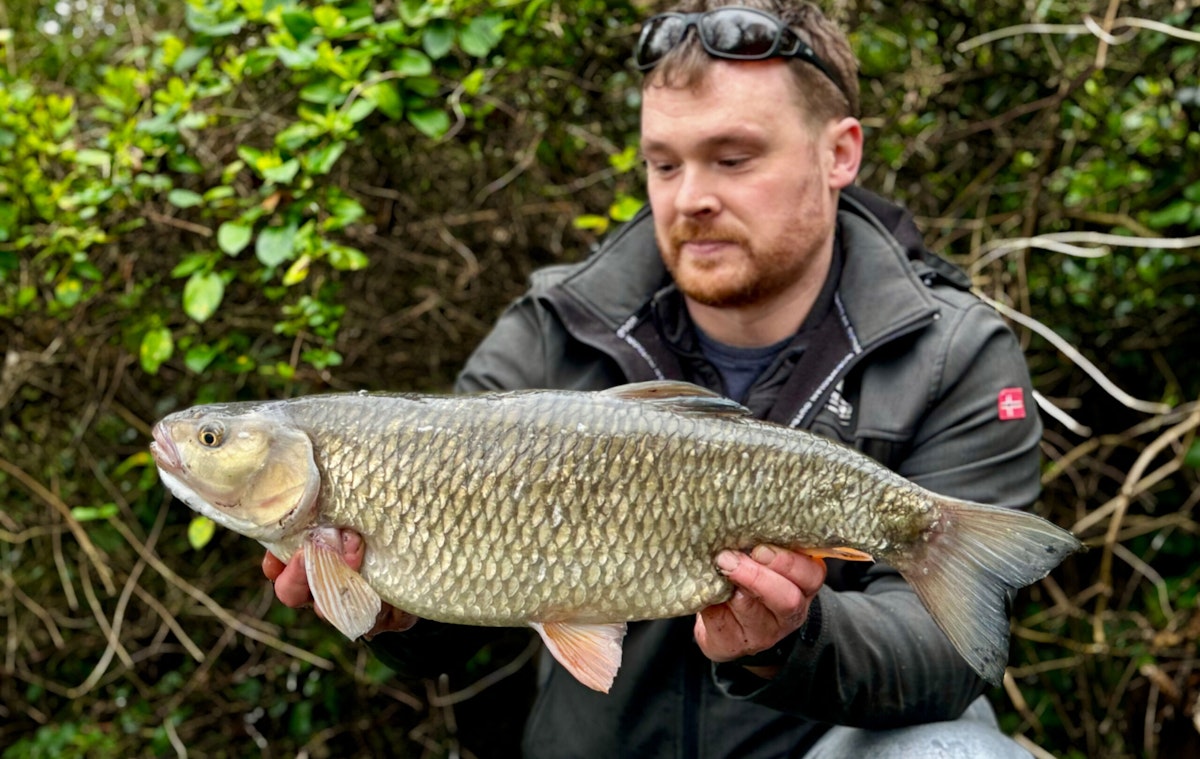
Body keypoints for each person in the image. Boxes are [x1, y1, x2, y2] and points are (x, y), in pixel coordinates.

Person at [264, 1, 1042, 756]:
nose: (690, 197)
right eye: (662, 164)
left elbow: (949, 654)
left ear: (839, 153)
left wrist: (792, 641)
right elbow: (453, 615)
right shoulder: (553, 330)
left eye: (733, 159)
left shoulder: (952, 351)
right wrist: (388, 609)